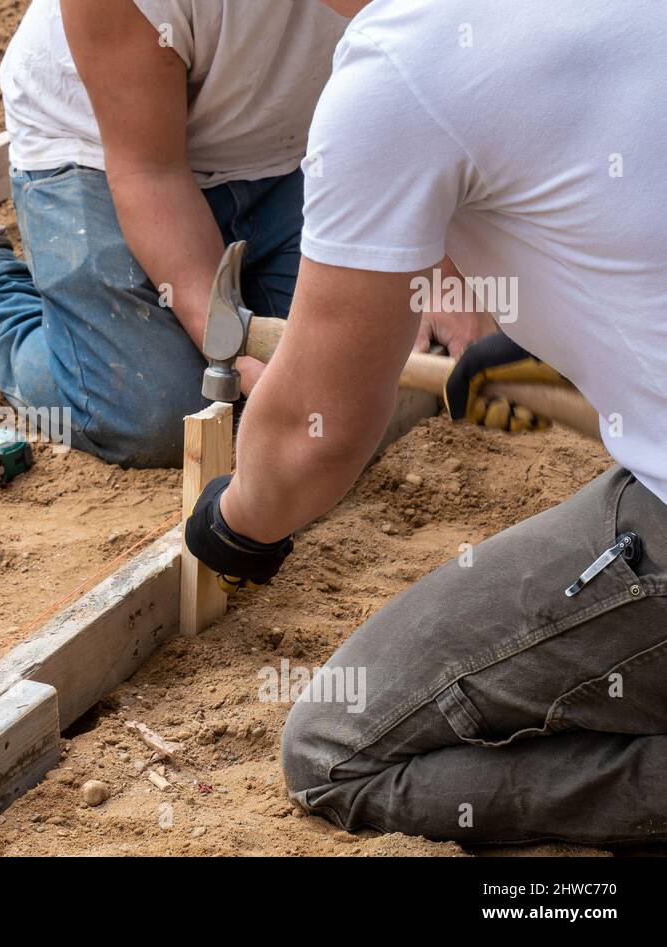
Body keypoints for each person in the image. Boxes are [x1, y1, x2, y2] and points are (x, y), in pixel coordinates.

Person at [186, 0, 667, 844]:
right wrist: (563, 340)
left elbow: (317, 431)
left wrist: (238, 522)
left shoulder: (403, 61)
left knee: (336, 747)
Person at [0, 0, 347, 467]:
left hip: (282, 155)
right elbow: (150, 173)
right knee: (160, 414)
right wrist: (231, 349)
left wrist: (433, 269)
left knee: (340, 382)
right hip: (102, 154)